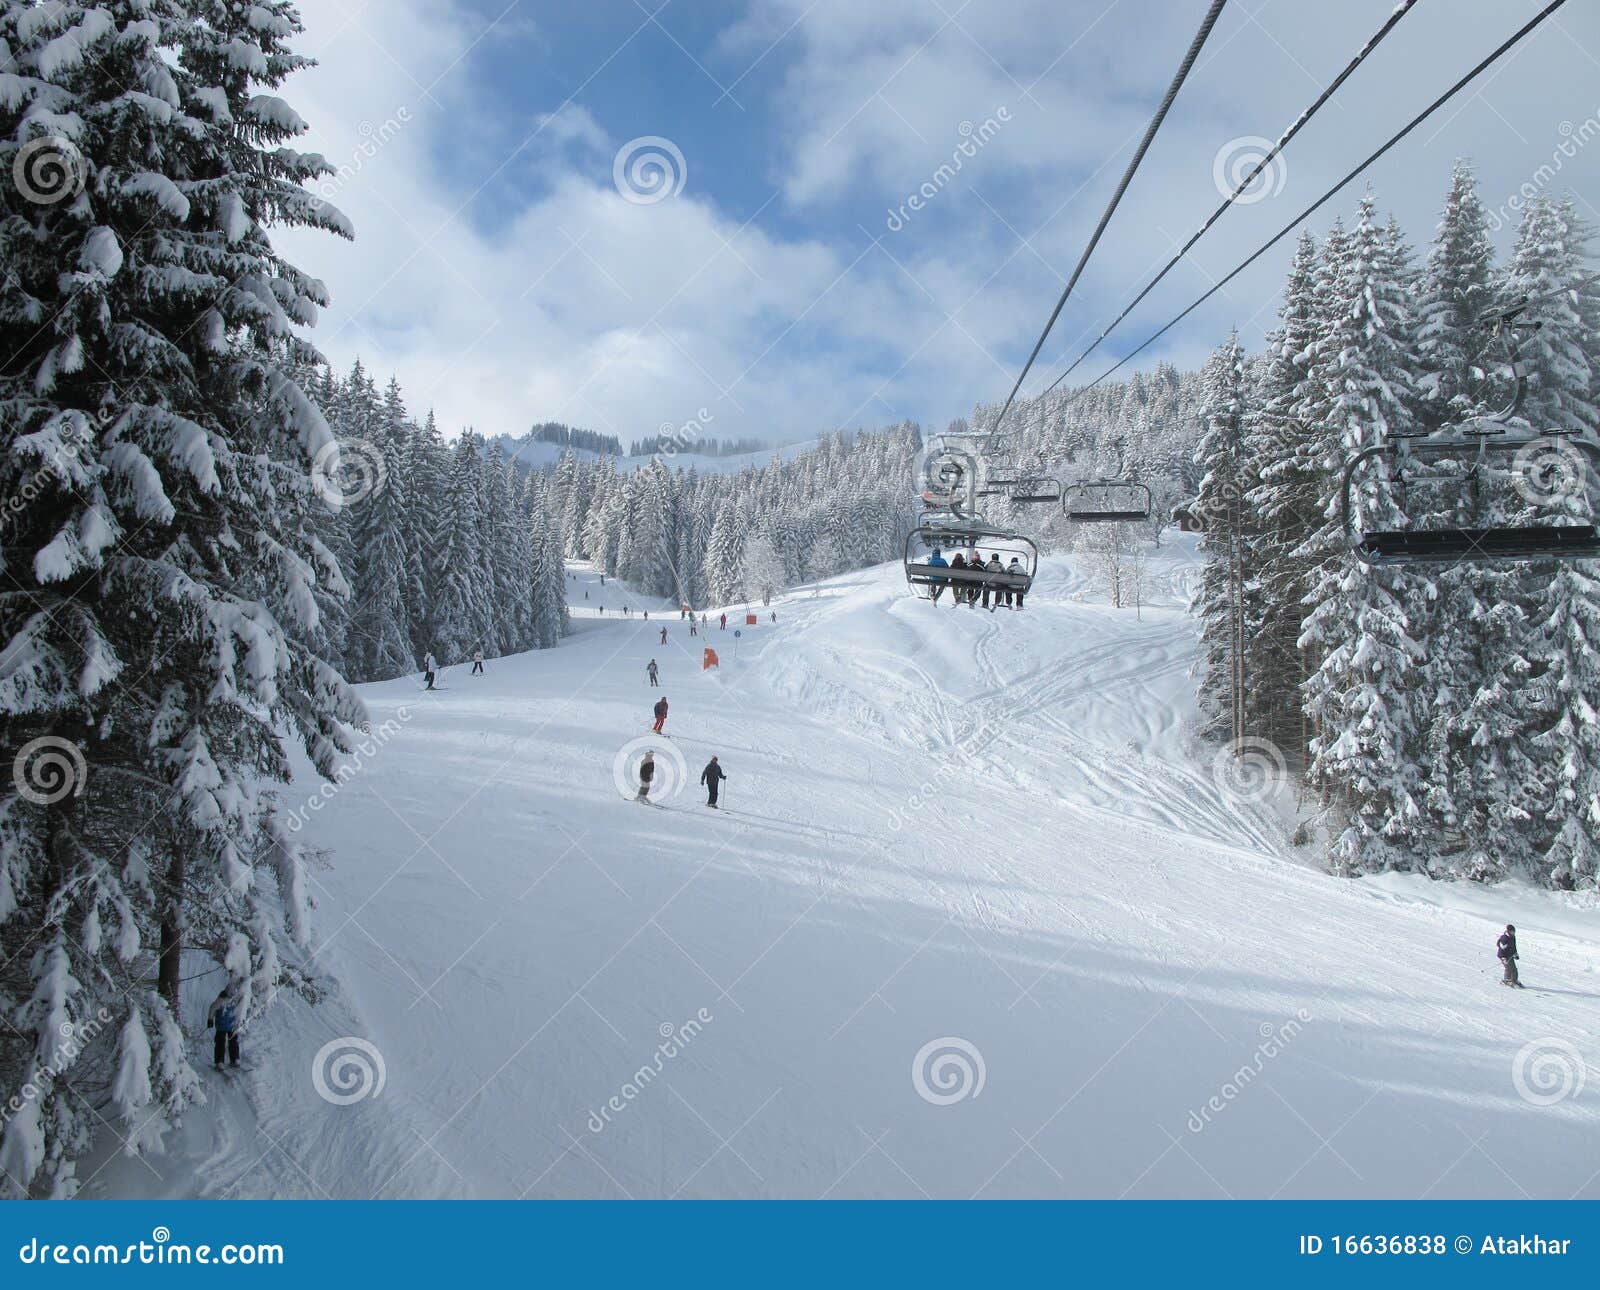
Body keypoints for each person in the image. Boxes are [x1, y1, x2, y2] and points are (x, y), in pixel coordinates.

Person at [207, 981, 242, 1068]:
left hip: (232, 1026)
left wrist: (240, 1020)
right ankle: (220, 1061)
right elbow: (212, 1008)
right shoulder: (221, 1000)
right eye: (231, 993)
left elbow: (240, 1010)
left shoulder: (236, 1000)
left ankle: (235, 1059)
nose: (232, 995)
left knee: (233, 1042)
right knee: (220, 1043)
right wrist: (210, 1019)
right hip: (222, 1026)